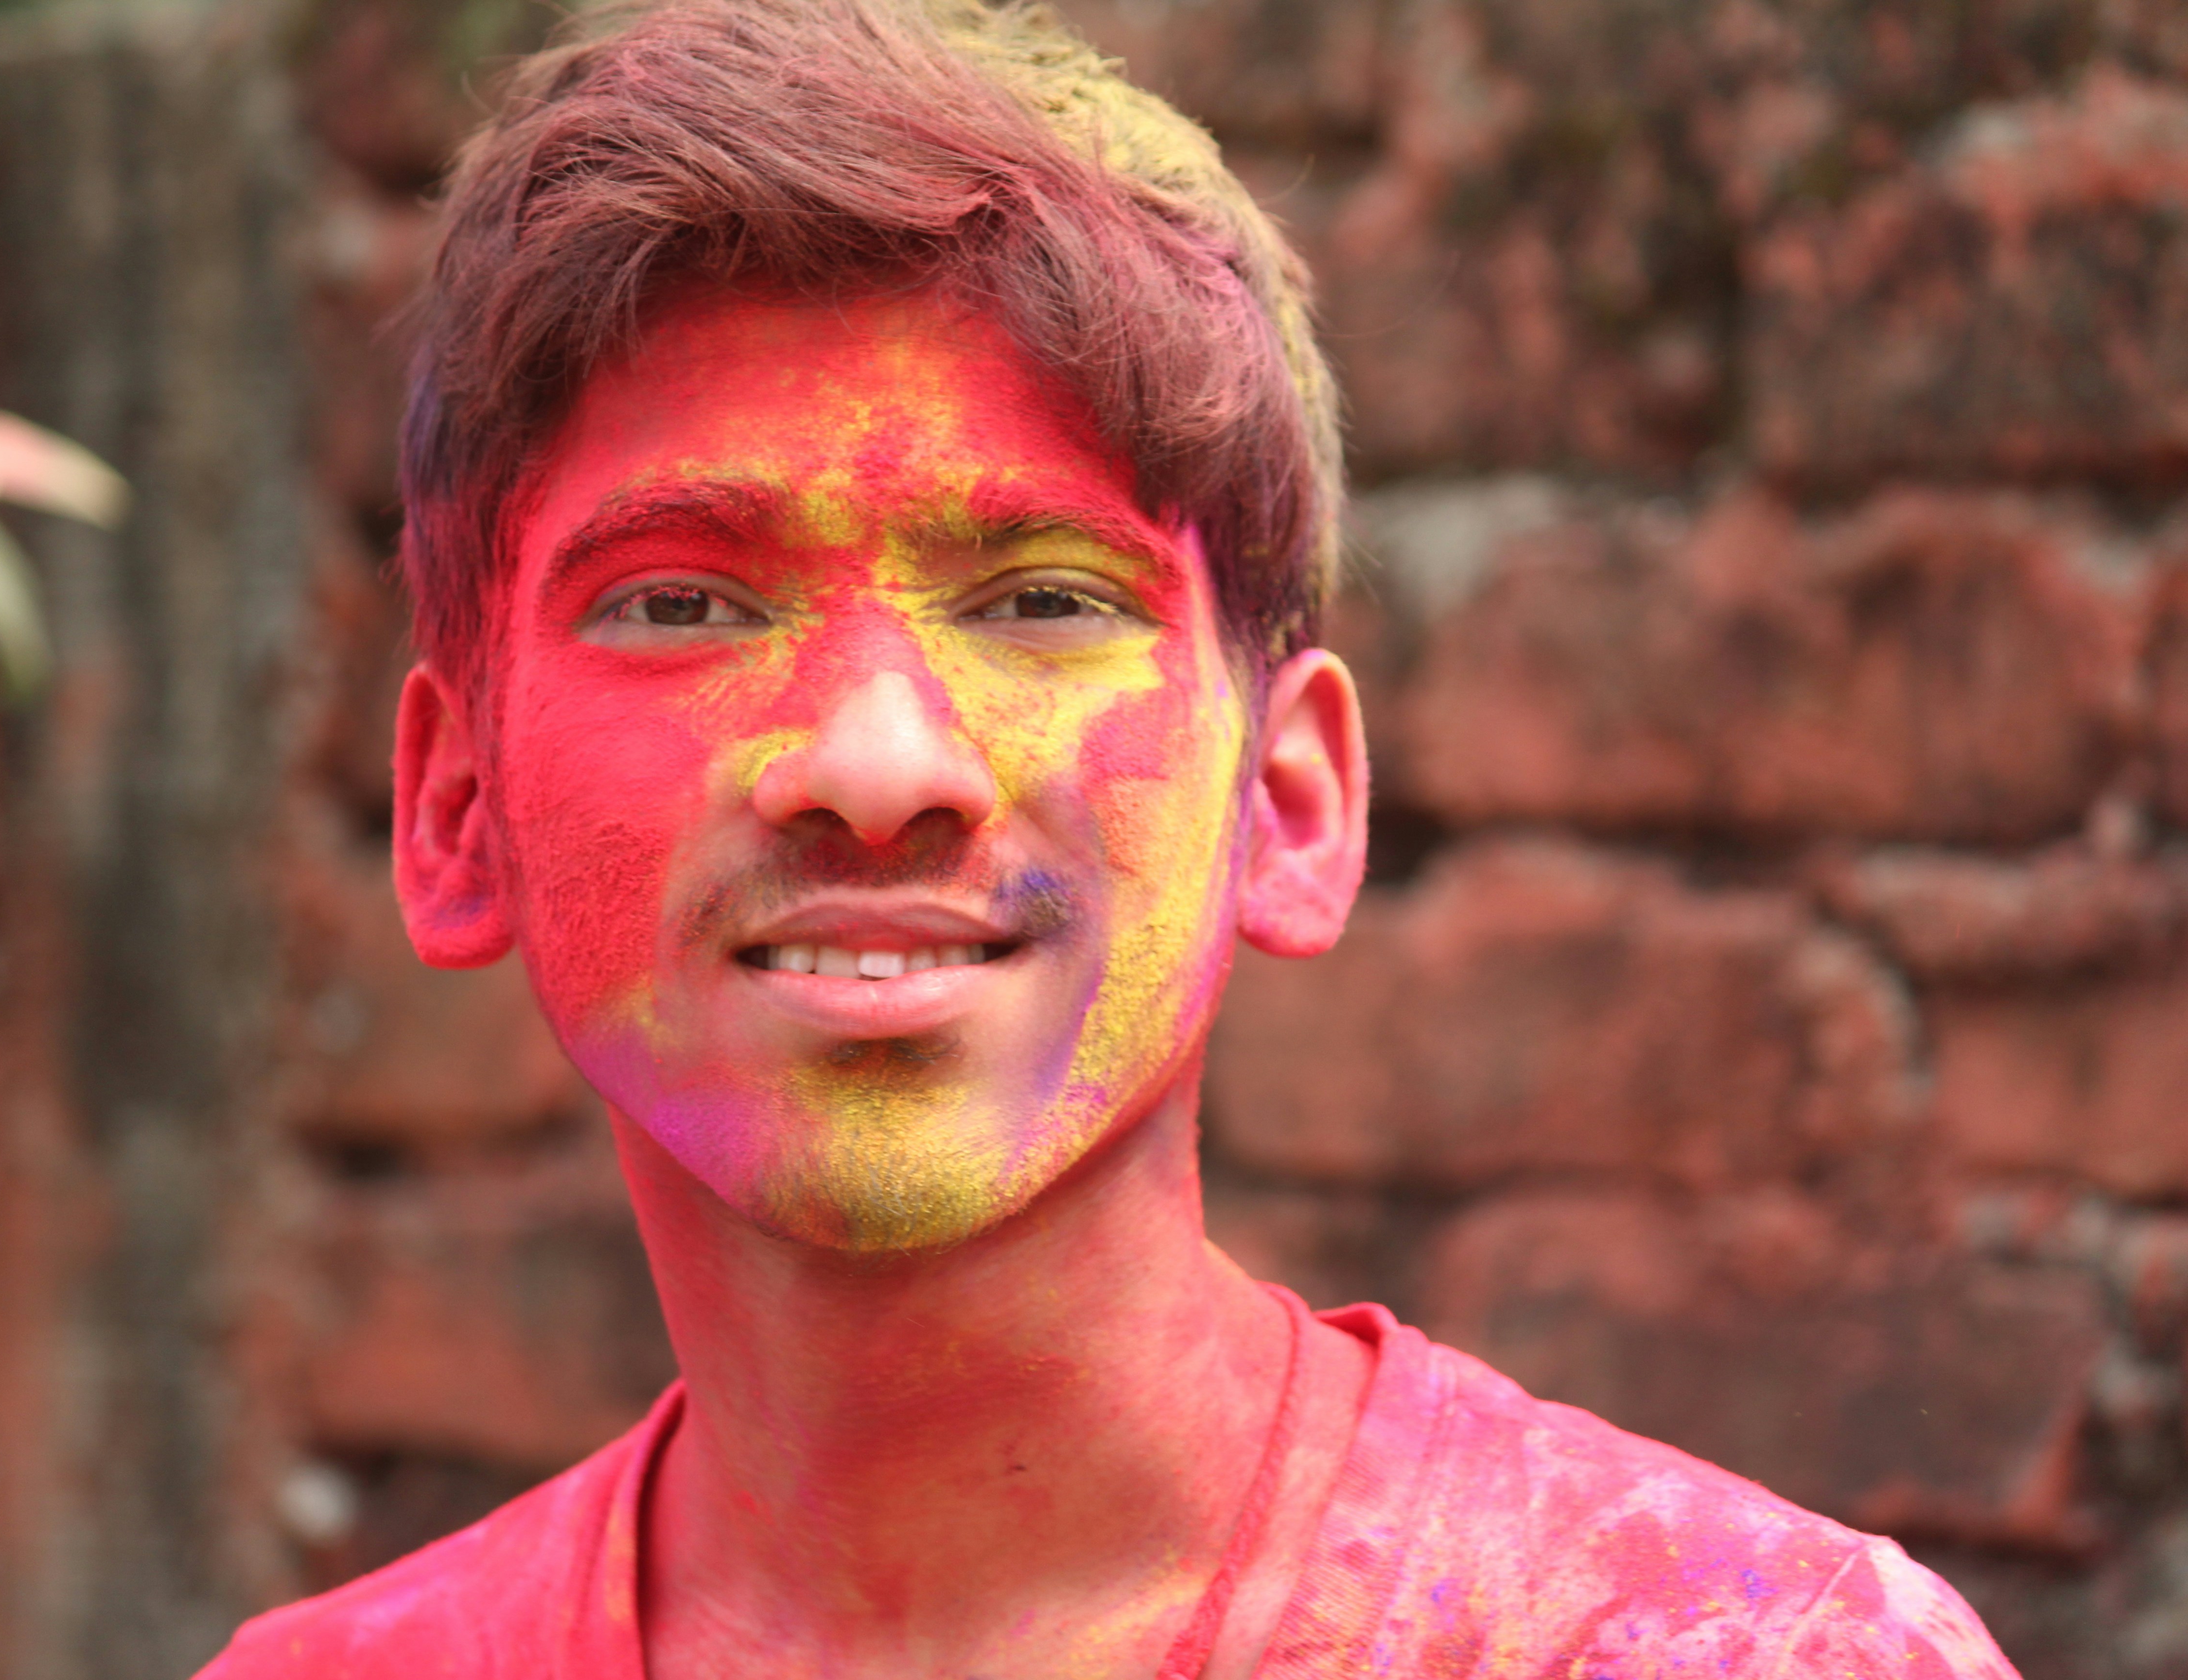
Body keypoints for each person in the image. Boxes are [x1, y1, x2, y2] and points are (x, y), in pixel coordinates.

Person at [200, 1, 2021, 1674]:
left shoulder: (1737, 1649)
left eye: (1047, 602)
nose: (877, 763)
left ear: (1287, 805)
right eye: (683, 604)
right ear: (456, 812)